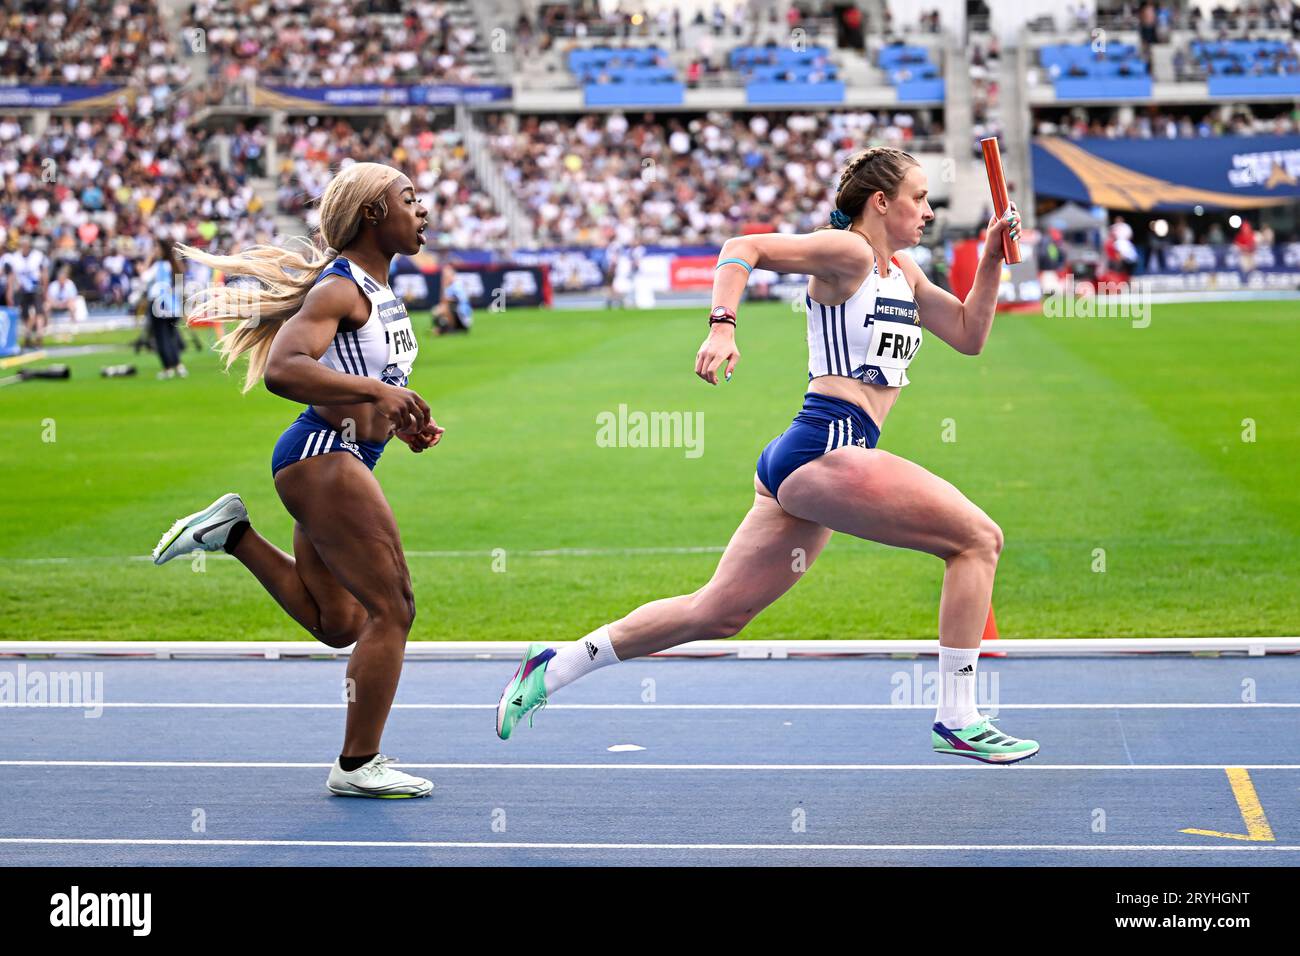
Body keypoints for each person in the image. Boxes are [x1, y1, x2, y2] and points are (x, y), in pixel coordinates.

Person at [495, 146, 1039, 764]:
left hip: (816, 459)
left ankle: (552, 666)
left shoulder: (904, 271)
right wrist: (722, 325)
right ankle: (959, 715)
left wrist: (991, 258)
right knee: (977, 541)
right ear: (880, 202)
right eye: (919, 197)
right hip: (827, 445)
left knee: (716, 613)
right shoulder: (849, 254)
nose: (929, 210)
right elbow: (742, 246)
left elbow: (969, 334)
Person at [150, 162, 446, 797]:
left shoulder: (379, 289)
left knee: (339, 623)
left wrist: (400, 421)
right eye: (409, 199)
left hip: (345, 458)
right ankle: (357, 764)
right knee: (394, 608)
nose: (423, 211)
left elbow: (374, 385)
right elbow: (285, 368)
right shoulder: (339, 290)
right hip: (322, 457)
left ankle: (233, 535)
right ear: (373, 214)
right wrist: (375, 395)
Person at [143, 238, 187, 378]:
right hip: (173, 305)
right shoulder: (175, 265)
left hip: (159, 303)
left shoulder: (160, 265)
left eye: (156, 248)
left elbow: (144, 278)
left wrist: (148, 260)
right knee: (171, 336)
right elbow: (180, 287)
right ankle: (178, 365)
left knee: (161, 337)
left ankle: (168, 367)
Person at [4, 235, 48, 348]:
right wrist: (10, 290)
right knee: (25, 314)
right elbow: (11, 276)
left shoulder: (37, 256)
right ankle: (28, 335)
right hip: (22, 290)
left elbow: (44, 273)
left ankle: (38, 336)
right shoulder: (15, 257)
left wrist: (45, 288)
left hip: (36, 289)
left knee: (38, 312)